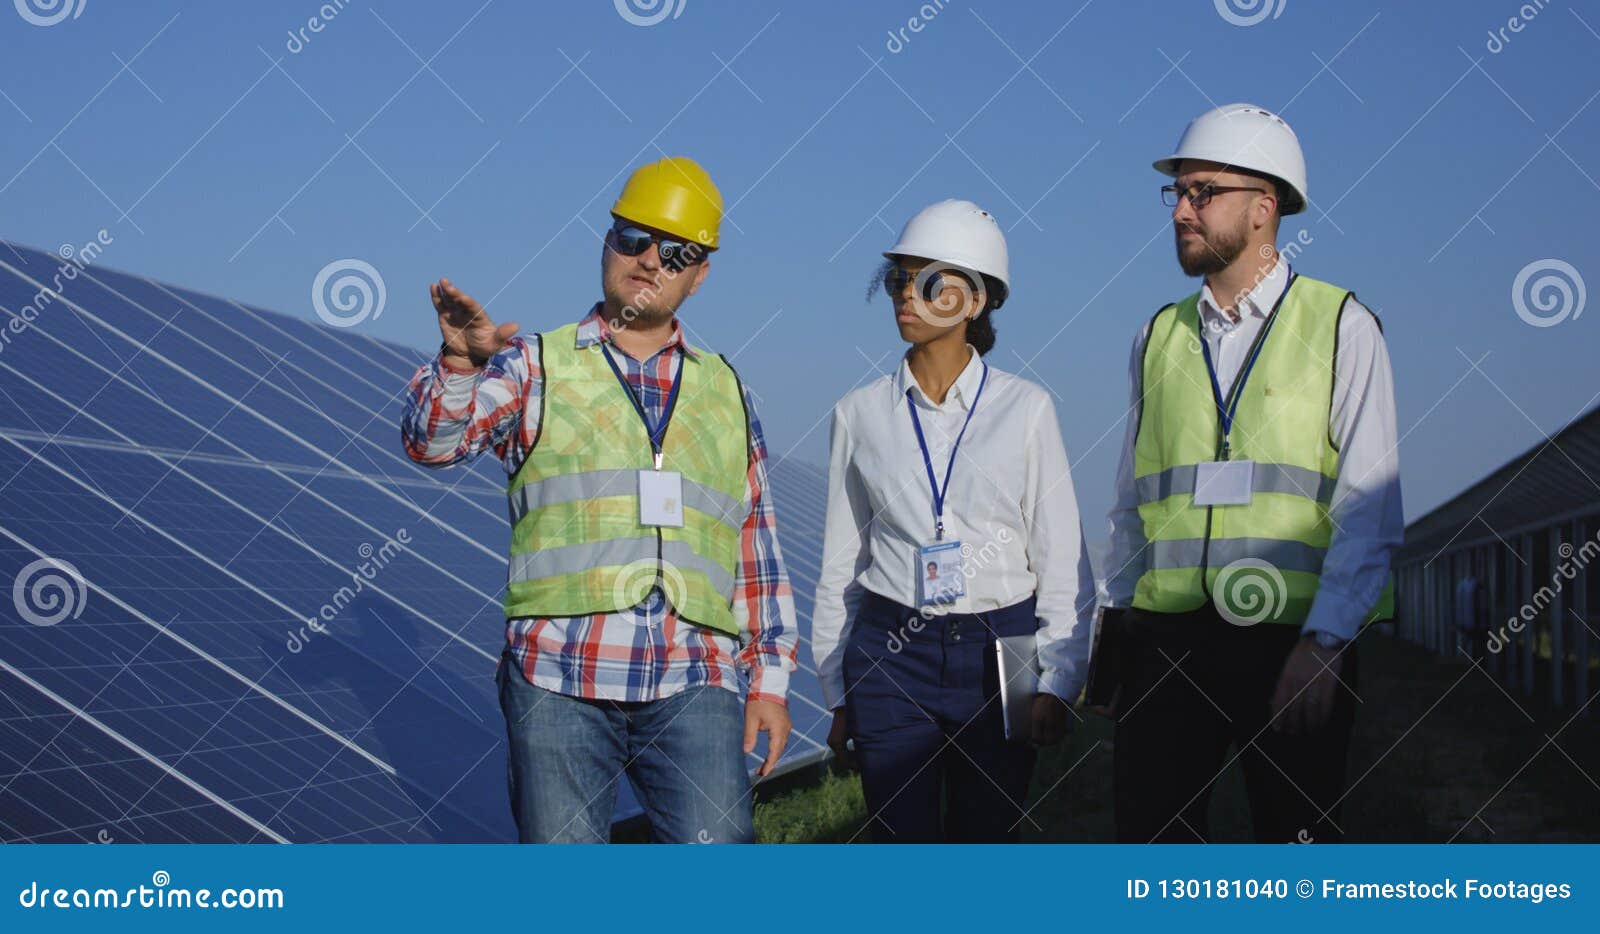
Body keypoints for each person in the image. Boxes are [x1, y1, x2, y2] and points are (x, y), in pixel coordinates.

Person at [400, 156, 798, 843]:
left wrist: (768, 681)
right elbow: (434, 444)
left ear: (701, 275)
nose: (650, 259)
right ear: (606, 242)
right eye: (634, 237)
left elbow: (755, 546)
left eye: (677, 252)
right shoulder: (533, 364)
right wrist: (462, 364)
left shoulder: (729, 392)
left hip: (693, 680)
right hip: (559, 678)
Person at [1100, 103, 1403, 843]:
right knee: (1150, 854)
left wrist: (1325, 644)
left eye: (1203, 191)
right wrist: (1112, 642)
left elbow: (1369, 505)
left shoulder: (1343, 326)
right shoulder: (1155, 336)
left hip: (1287, 644)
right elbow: (1128, 505)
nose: (1180, 211)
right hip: (1166, 646)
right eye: (1175, 192)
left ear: (1264, 208)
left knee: (1295, 846)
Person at [811, 199, 1096, 842]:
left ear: (976, 302)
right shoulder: (857, 414)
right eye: (898, 280)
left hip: (1005, 648)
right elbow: (841, 562)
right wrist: (835, 690)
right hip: (889, 653)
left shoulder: (1027, 410)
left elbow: (1059, 555)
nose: (906, 295)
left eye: (929, 280)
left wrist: (1060, 678)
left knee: (986, 839)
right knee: (898, 842)